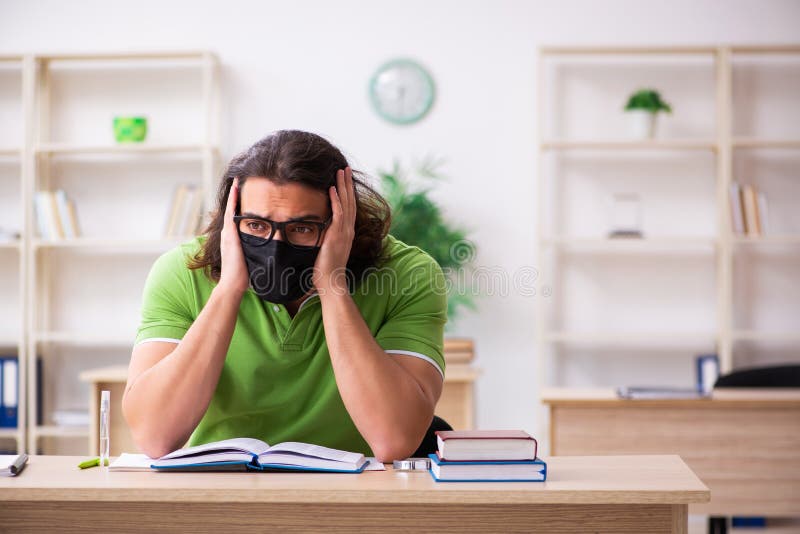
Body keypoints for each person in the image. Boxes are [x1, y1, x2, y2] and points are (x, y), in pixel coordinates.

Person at [122, 130, 448, 462]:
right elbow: (155, 437)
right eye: (255, 225)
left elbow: (394, 440)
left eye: (302, 229)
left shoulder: (408, 275)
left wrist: (332, 288)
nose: (275, 247)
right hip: (221, 486)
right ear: (231, 220)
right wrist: (229, 289)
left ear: (344, 221)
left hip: (356, 489)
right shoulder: (182, 272)